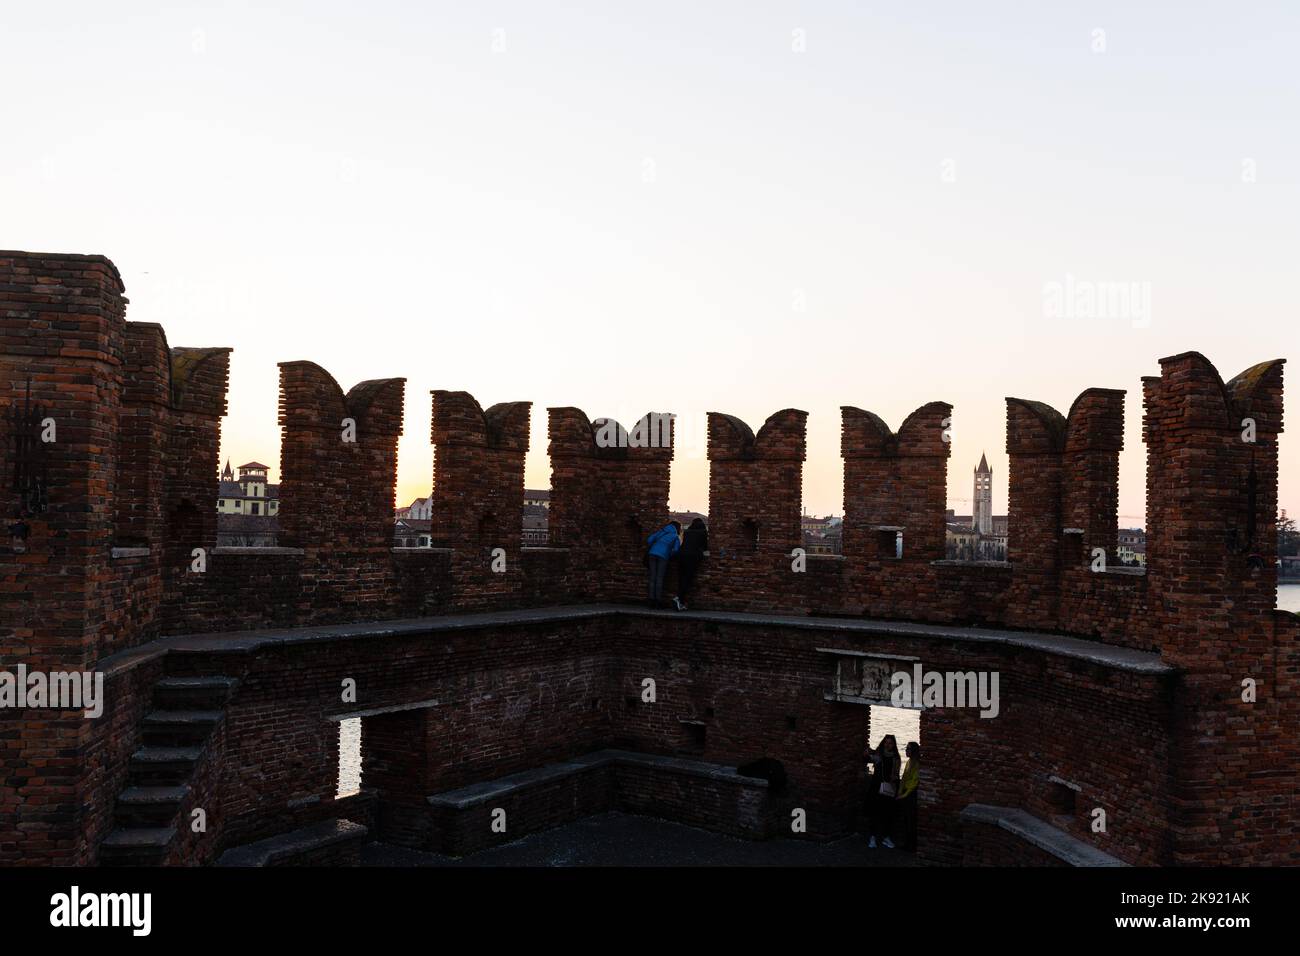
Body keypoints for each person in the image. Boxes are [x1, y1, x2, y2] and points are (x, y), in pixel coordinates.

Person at [866, 734, 900, 849]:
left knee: (887, 815)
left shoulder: (896, 758)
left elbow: (896, 774)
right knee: (874, 813)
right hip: (876, 787)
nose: (887, 745)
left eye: (890, 743)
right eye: (886, 742)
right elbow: (867, 758)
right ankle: (873, 837)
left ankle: (886, 837)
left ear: (894, 745)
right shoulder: (878, 755)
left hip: (888, 788)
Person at [672, 518, 708, 610]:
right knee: (688, 579)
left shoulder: (687, 531)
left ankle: (681, 603)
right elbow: (705, 547)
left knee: (681, 578)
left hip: (681, 556)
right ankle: (679, 598)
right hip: (692, 557)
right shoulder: (703, 532)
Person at [645, 520, 681, 608]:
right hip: (663, 556)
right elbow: (676, 550)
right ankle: (657, 601)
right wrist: (668, 553)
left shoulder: (661, 531)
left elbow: (649, 540)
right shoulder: (675, 536)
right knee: (659, 578)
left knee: (652, 577)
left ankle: (651, 600)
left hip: (652, 554)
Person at [897, 741, 921, 851]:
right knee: (906, 820)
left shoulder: (917, 764)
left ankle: (911, 845)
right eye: (906, 748)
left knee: (911, 820)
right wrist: (900, 792)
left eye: (908, 749)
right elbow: (904, 779)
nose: (906, 751)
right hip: (906, 794)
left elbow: (914, 783)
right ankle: (907, 843)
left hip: (911, 795)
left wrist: (904, 795)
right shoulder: (908, 762)